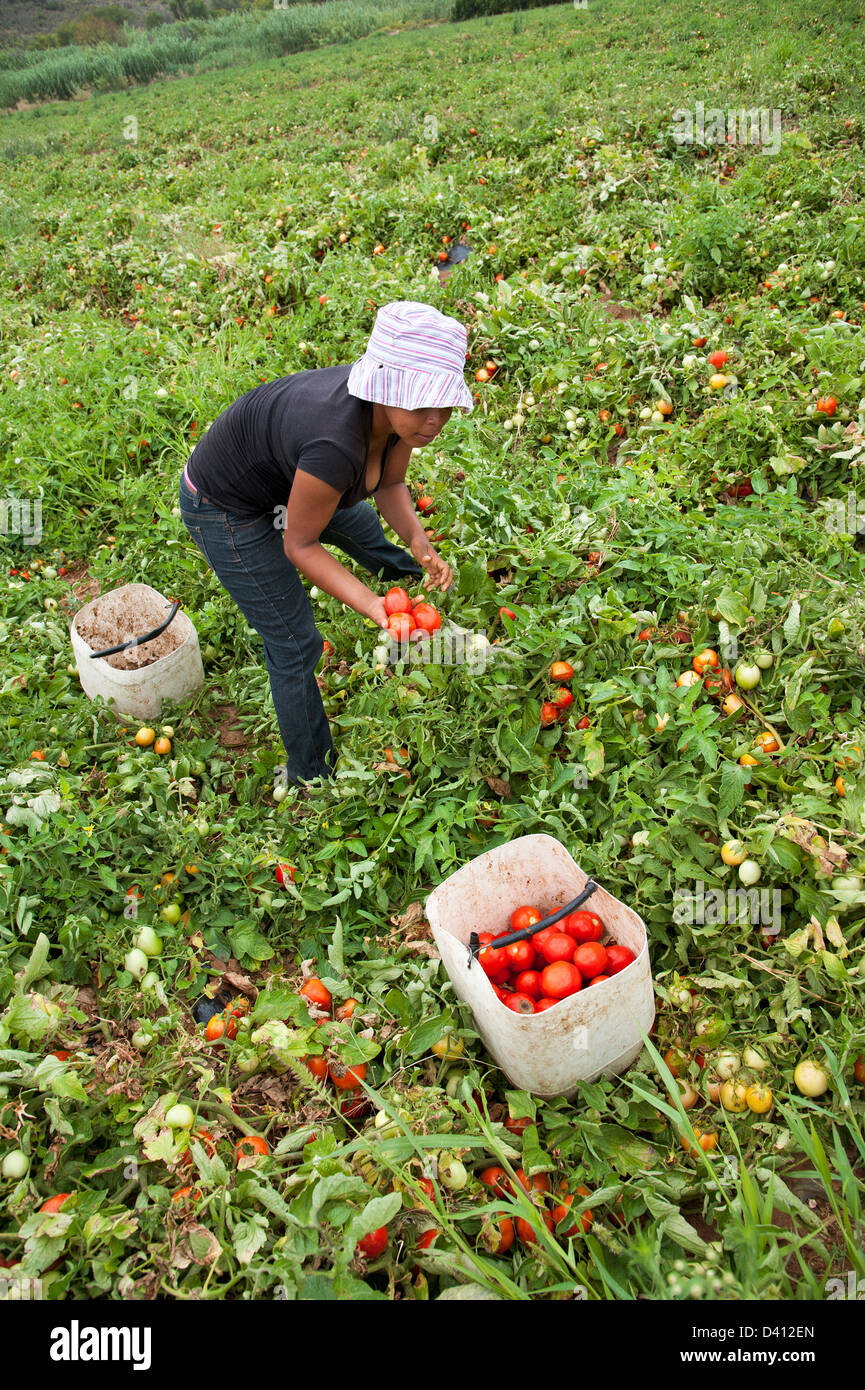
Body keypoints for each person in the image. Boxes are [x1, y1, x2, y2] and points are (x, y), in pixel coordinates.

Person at [178, 300, 474, 785]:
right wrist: (372, 606)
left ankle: (412, 587)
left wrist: (420, 542)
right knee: (294, 642)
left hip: (292, 482)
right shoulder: (335, 445)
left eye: (444, 403)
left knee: (362, 530)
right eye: (423, 403)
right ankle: (310, 776)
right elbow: (301, 546)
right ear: (387, 389)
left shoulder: (399, 422)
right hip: (225, 506)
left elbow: (390, 486)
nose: (435, 419)